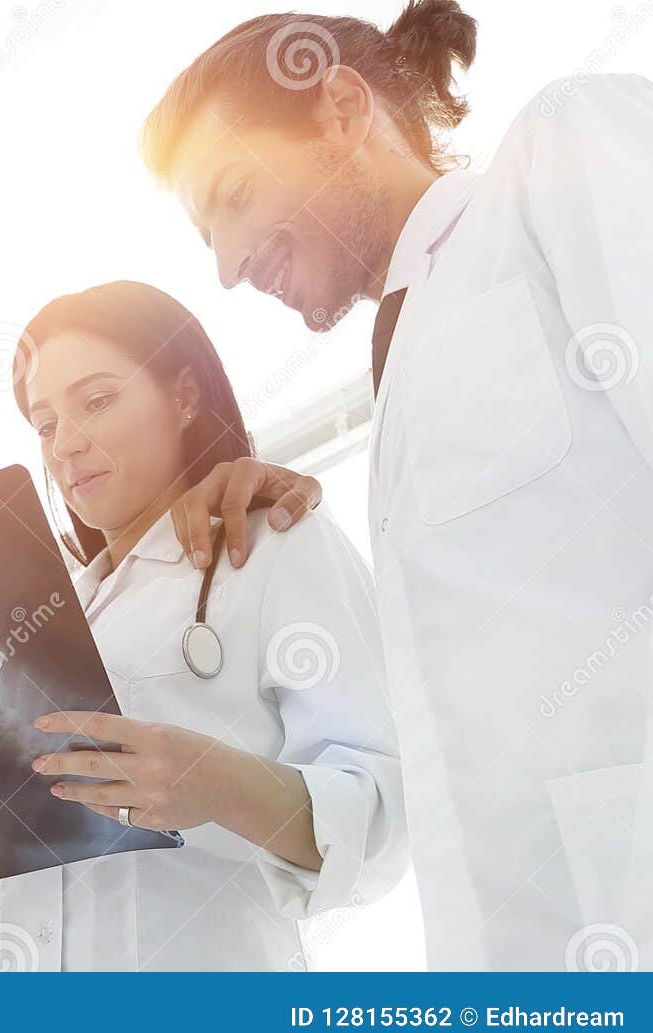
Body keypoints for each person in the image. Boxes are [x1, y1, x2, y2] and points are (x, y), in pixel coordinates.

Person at [140, 0, 653, 969]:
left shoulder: (560, 153)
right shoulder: (409, 365)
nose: (226, 267)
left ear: (339, 108)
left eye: (236, 195)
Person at [0, 281, 406, 970]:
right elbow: (4, 883)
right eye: (45, 423)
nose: (66, 445)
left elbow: (388, 815)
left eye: (97, 401)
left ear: (185, 396)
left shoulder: (274, 544)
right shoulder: (45, 613)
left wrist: (218, 784)